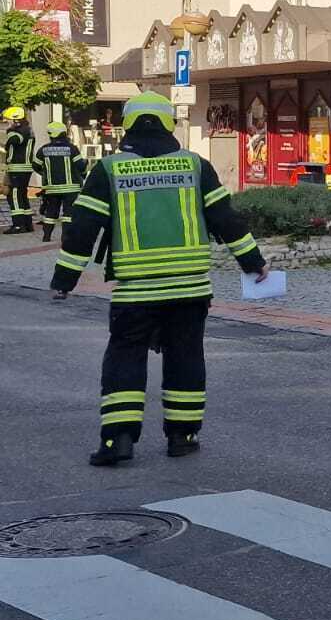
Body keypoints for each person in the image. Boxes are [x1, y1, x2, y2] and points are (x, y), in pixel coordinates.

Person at [48, 91, 269, 466]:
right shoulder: (195, 166)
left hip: (135, 292)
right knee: (186, 358)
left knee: (124, 358)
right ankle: (183, 436)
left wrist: (64, 279)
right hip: (190, 290)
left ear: (127, 125)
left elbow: (83, 227)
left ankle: (118, 440)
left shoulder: (109, 169)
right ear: (170, 124)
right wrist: (253, 262)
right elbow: (226, 219)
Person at [32, 121, 87, 243]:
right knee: (68, 213)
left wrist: (45, 174)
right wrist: (84, 168)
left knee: (51, 212)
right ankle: (65, 237)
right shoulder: (72, 148)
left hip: (51, 189)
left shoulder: (44, 150)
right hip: (71, 188)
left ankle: (46, 237)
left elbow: (35, 166)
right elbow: (81, 166)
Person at [3, 106, 35, 234]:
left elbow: (14, 141)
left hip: (18, 168)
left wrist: (10, 131)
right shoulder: (28, 130)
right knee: (22, 195)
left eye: (9, 120)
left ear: (16, 120)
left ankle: (18, 225)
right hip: (24, 168)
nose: (7, 122)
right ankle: (27, 224)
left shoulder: (20, 131)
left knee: (14, 195)